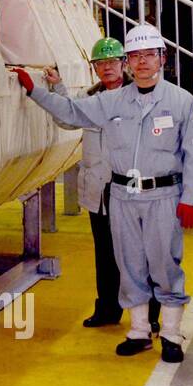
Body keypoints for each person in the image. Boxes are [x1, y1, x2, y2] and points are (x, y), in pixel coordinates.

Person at [15, 24, 193, 363]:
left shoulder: (181, 101)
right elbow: (72, 112)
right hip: (121, 196)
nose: (142, 62)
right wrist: (36, 92)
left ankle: (172, 334)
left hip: (163, 196)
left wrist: (190, 198)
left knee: (164, 264)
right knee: (128, 262)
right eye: (135, 56)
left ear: (162, 58)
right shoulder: (111, 101)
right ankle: (138, 331)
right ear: (128, 62)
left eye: (148, 55)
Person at [43, 37, 160, 330]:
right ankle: (108, 310)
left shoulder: (142, 95)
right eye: (100, 63)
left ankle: (151, 315)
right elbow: (68, 119)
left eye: (112, 62)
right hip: (100, 189)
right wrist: (56, 87)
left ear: (124, 64)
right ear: (94, 68)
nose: (106, 68)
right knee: (105, 252)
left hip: (133, 188)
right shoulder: (90, 97)